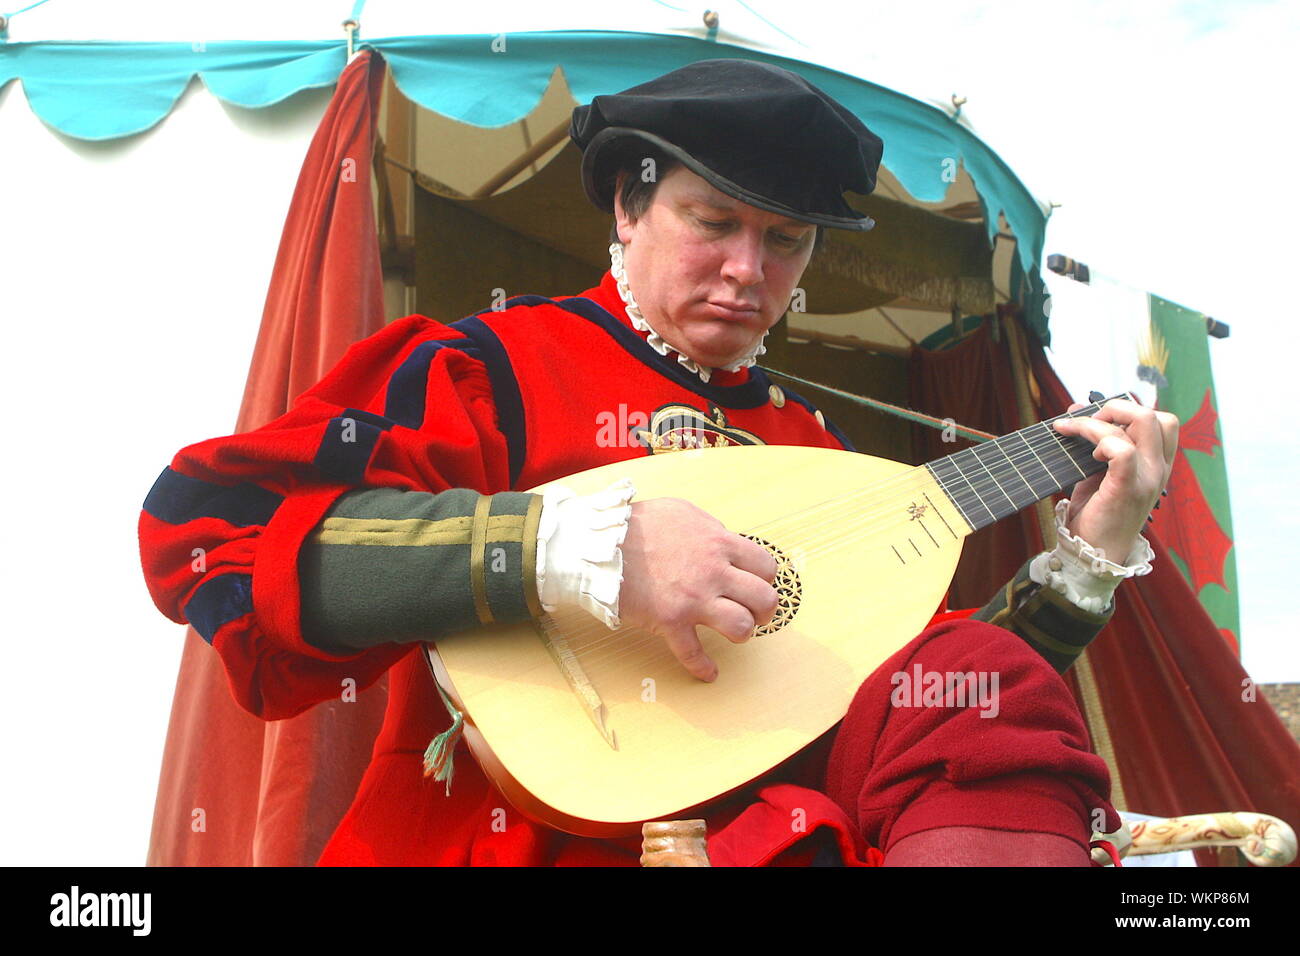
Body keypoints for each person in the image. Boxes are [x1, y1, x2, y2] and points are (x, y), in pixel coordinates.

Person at [138, 59, 1178, 866]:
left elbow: (921, 711)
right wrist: (563, 548)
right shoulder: (485, 369)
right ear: (628, 210)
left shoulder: (807, 445)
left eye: (786, 241)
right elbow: (209, 533)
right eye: (712, 221)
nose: (747, 269)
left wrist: (1086, 561)